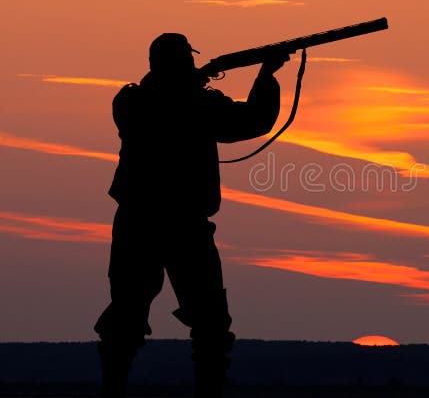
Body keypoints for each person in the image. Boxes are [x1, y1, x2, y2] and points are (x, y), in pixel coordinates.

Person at [94, 33, 289, 398]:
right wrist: (266, 76)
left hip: (139, 223)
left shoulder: (132, 100)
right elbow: (252, 121)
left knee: (134, 316)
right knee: (203, 321)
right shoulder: (179, 103)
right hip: (182, 225)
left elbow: (239, 121)